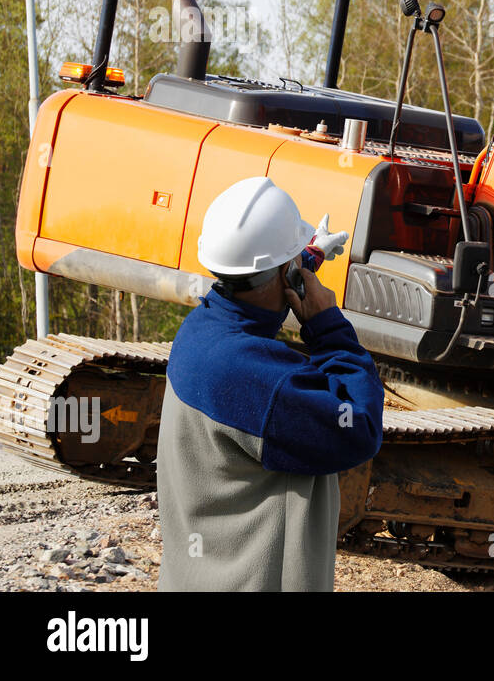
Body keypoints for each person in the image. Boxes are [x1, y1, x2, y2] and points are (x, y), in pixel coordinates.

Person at [157, 176, 384, 591]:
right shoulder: (259, 377)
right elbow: (361, 427)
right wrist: (328, 327)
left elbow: (258, 282)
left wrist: (304, 258)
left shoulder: (201, 330)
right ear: (283, 275)